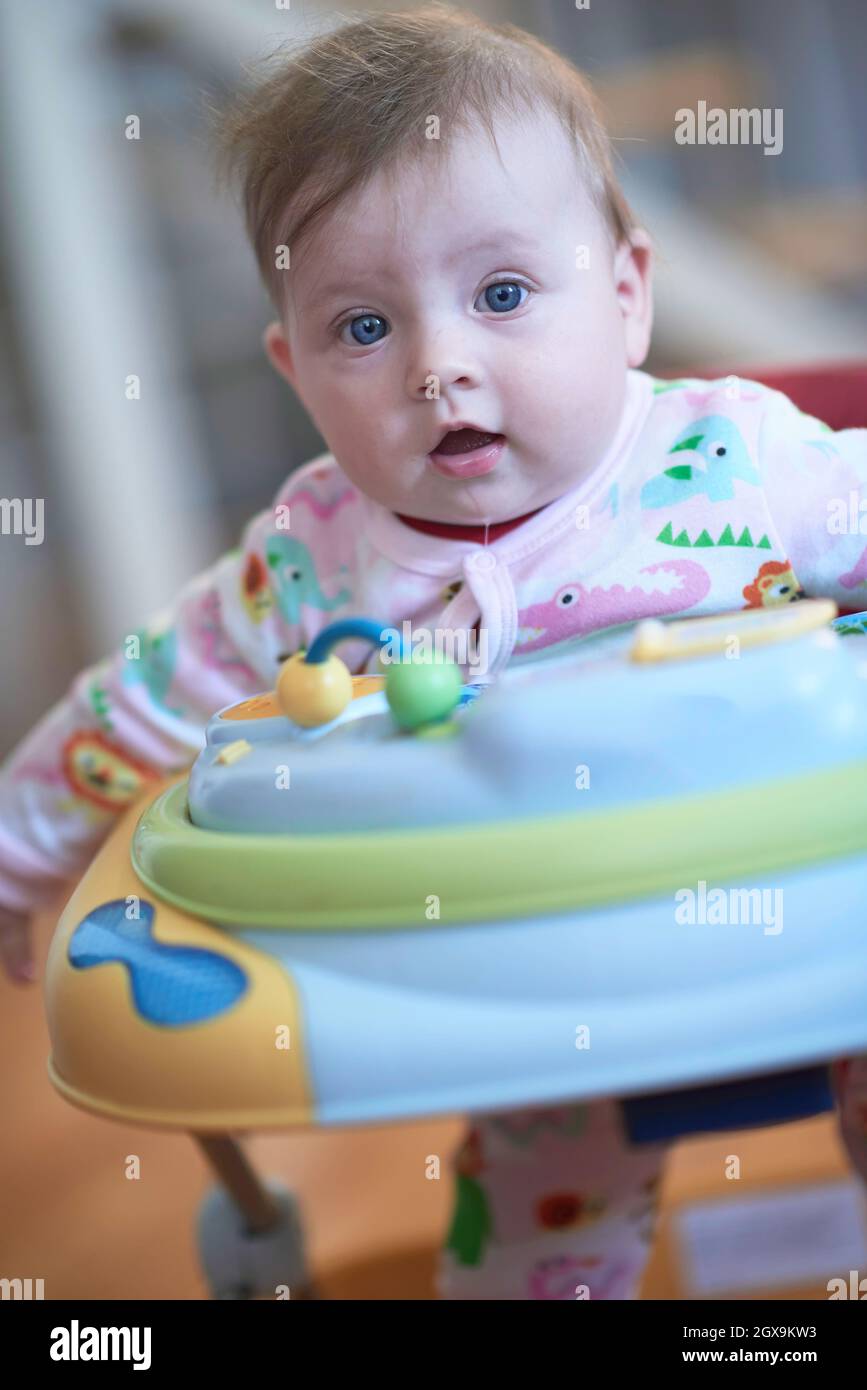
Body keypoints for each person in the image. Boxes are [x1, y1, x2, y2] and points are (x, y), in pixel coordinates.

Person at [2, 5, 866, 1299]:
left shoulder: (739, 459)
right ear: (296, 367)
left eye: (504, 294)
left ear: (626, 297)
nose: (439, 366)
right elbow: (136, 705)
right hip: (534, 975)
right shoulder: (313, 557)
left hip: (809, 926)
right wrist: (21, 866)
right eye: (364, 328)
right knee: (531, 1218)